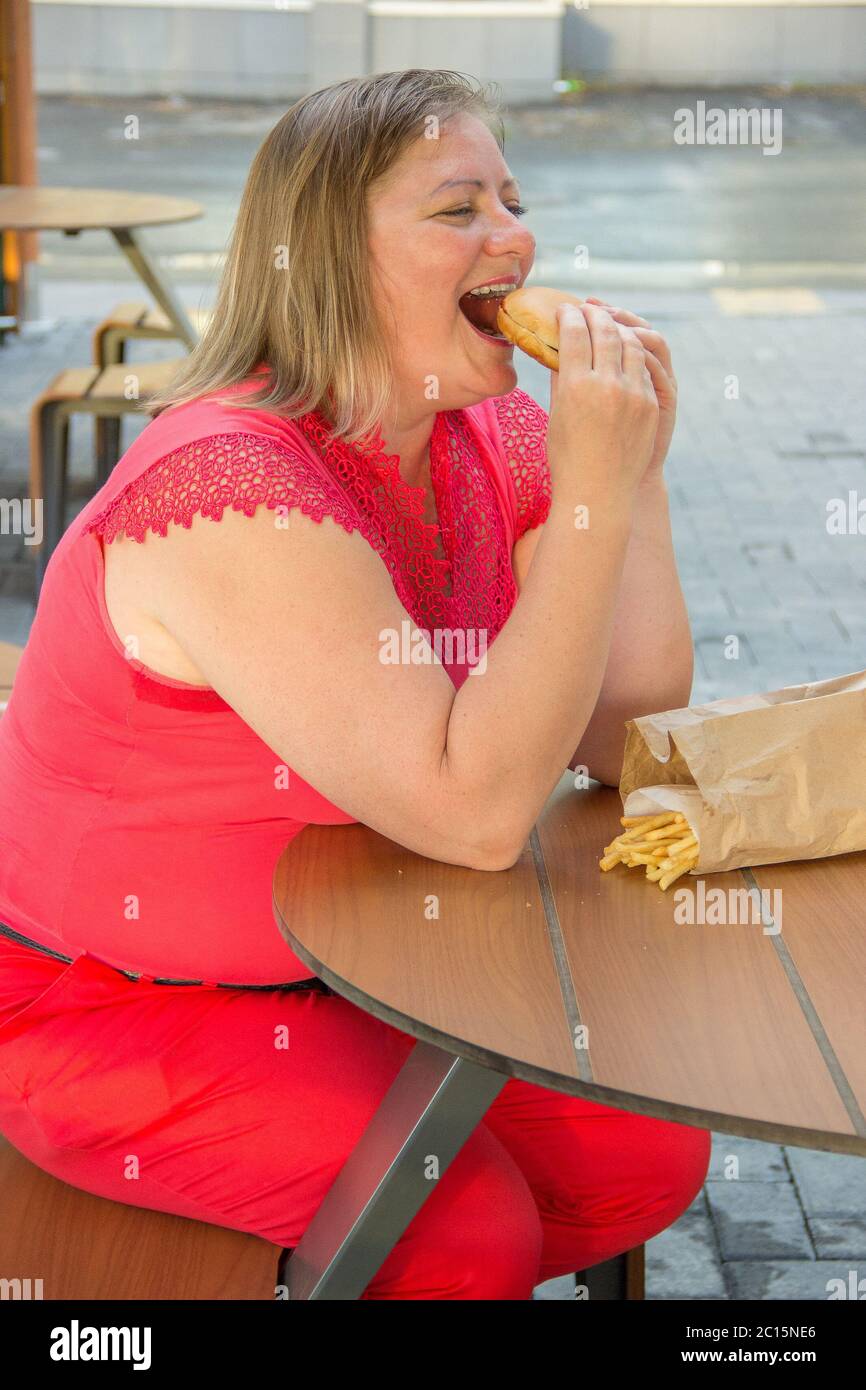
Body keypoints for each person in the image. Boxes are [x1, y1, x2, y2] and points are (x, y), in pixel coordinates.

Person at [0, 68, 708, 1299]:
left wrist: (629, 475)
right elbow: (476, 816)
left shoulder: (491, 433)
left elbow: (621, 733)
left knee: (641, 1152)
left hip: (355, 969)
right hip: (104, 1004)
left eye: (512, 201)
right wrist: (591, 491)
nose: (512, 237)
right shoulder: (231, 489)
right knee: (460, 1228)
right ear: (326, 256)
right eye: (457, 210)